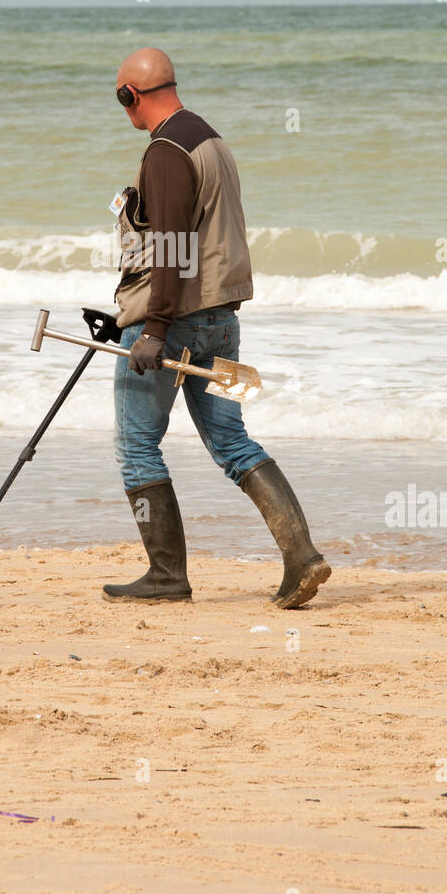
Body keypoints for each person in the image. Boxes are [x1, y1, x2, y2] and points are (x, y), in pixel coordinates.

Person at [104, 46, 331, 608]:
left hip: (172, 323)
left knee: (137, 447)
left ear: (132, 95)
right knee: (232, 441)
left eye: (119, 98)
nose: (122, 108)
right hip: (222, 323)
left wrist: (151, 327)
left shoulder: (165, 151)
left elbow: (174, 247)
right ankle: (302, 556)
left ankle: (166, 577)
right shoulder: (211, 141)